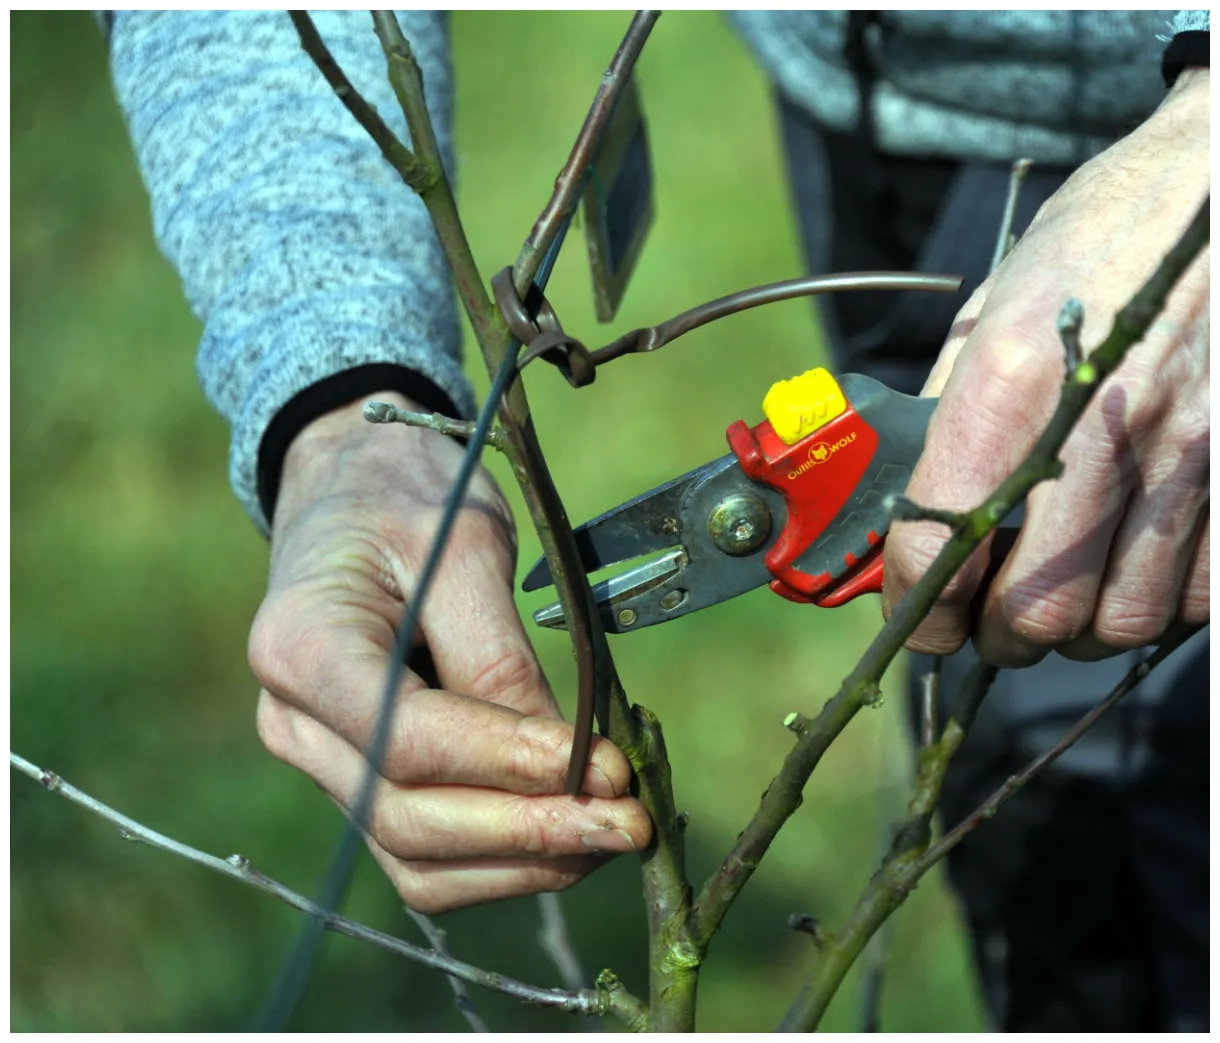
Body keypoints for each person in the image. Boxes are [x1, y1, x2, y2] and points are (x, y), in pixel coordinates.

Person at [104, 10, 1209, 1031]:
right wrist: (345, 402)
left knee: (1141, 803)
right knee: (1042, 796)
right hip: (857, 106)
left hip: (1171, 150)